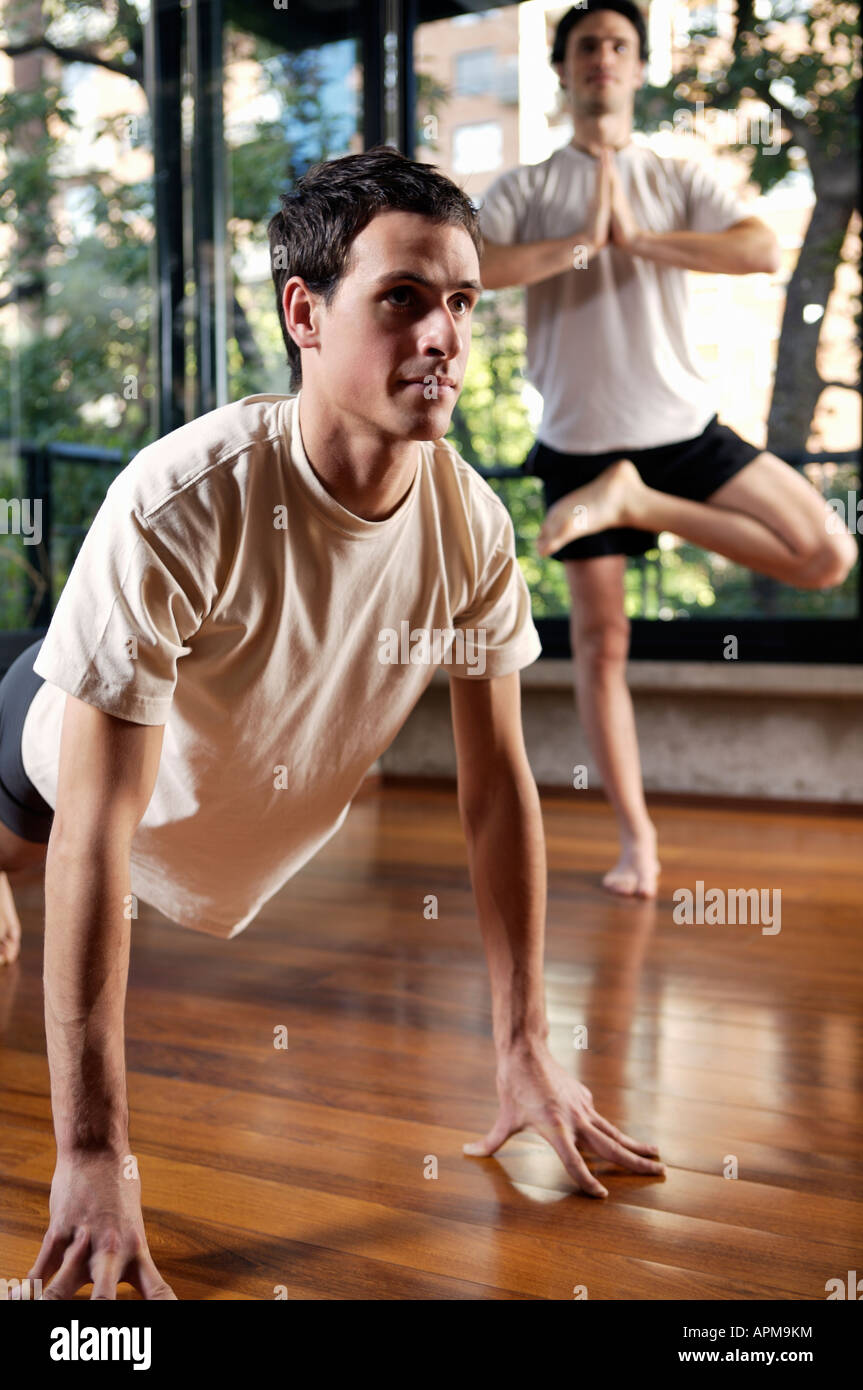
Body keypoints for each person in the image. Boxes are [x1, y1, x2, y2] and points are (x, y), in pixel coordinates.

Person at [0, 146, 665, 1302]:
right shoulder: (176, 504)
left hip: (185, 797)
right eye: (401, 297)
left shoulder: (469, 525)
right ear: (304, 313)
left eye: (460, 300)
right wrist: (95, 1157)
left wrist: (525, 1047)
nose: (443, 333)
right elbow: (92, 841)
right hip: (48, 760)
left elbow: (497, 787)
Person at [478, 1, 857, 899]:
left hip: (683, 429)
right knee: (601, 647)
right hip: (577, 443)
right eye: (584, 47)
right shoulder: (526, 186)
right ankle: (637, 845)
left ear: (636, 66)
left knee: (827, 555)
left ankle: (640, 501)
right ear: (562, 69)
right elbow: (478, 269)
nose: (601, 58)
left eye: (616, 45)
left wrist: (638, 241)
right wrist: (581, 246)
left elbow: (760, 248)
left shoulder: (674, 175)